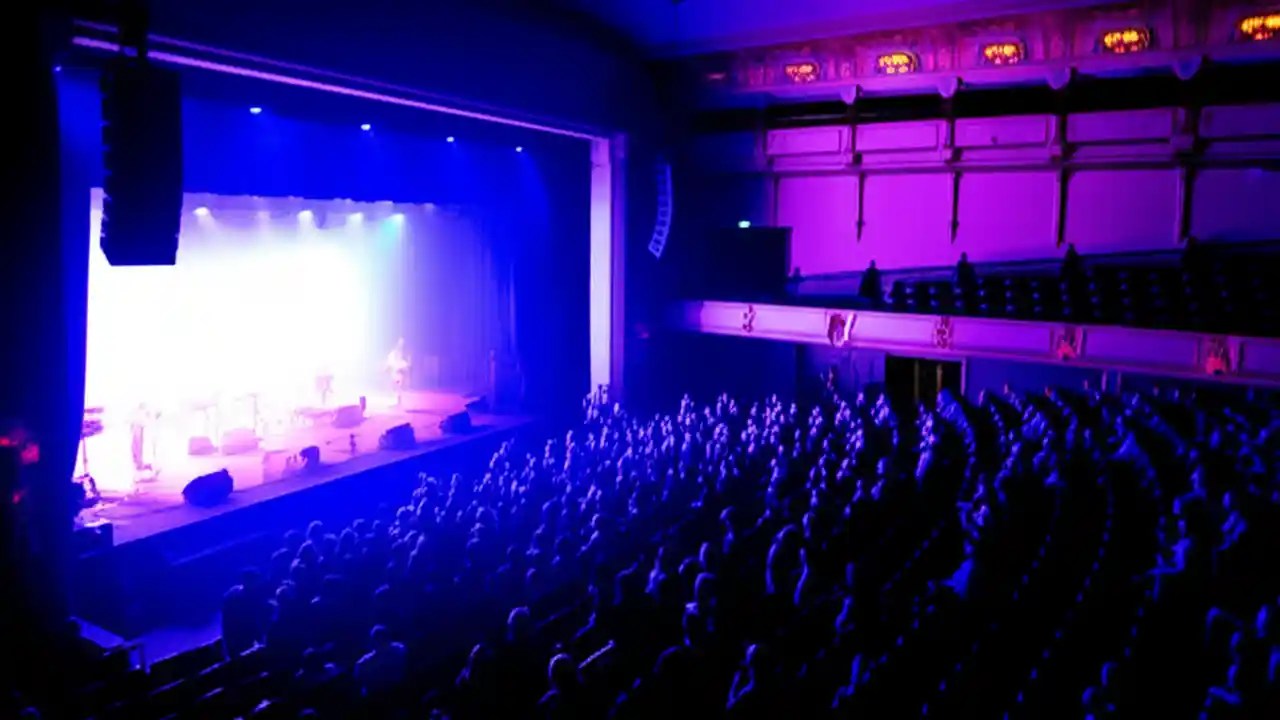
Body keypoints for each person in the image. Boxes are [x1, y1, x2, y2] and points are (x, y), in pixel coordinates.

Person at [386, 337, 412, 406]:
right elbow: (392, 360)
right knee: (396, 386)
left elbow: (407, 362)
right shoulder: (395, 352)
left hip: (400, 370)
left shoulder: (405, 352)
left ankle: (398, 401)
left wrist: (405, 367)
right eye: (400, 342)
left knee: (399, 386)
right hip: (396, 370)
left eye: (402, 343)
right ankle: (398, 400)